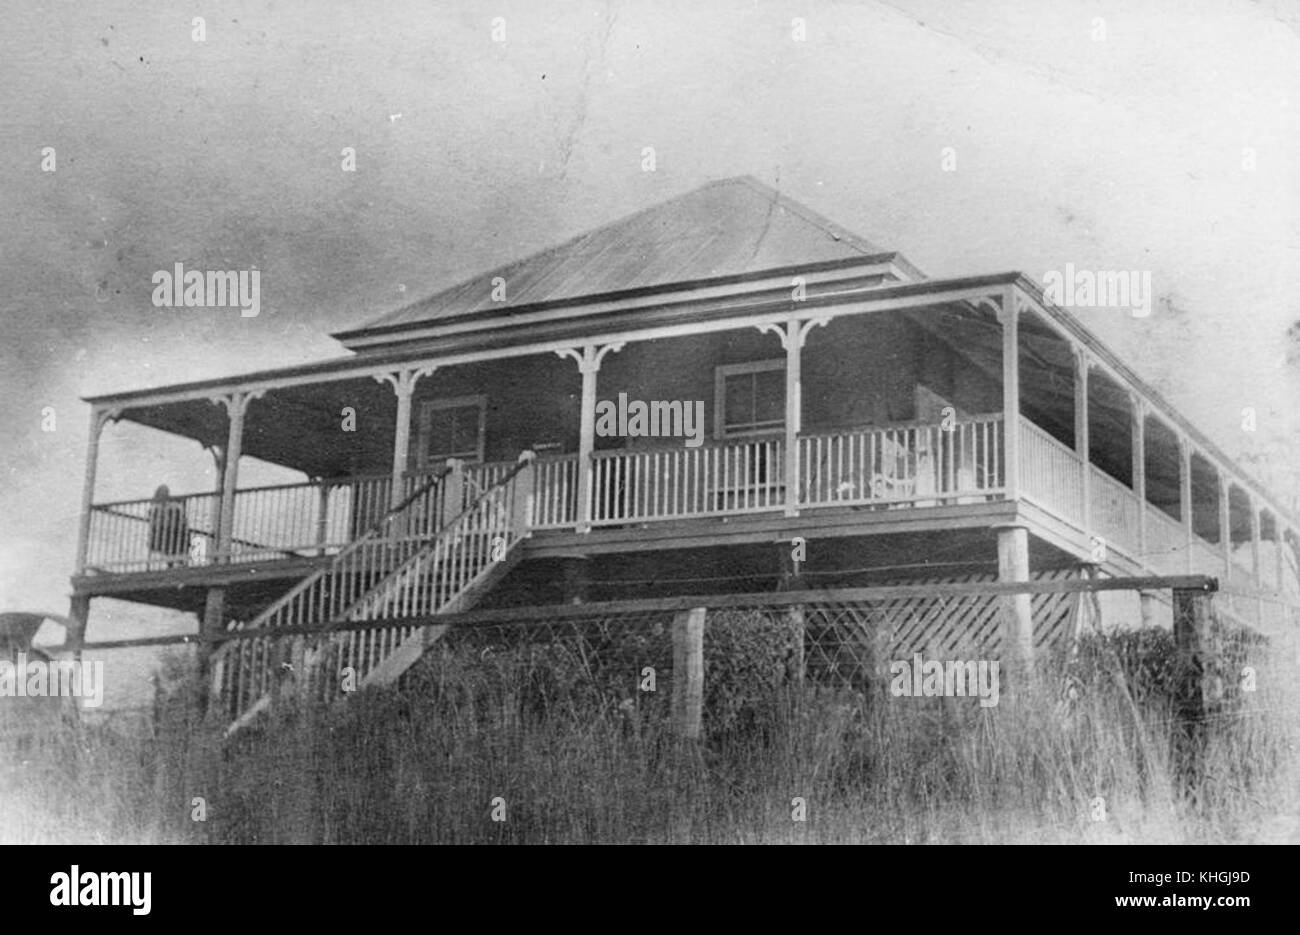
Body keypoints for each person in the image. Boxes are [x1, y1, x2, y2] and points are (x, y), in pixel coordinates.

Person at [147, 485, 189, 568]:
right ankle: (173, 562)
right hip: (163, 532)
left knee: (176, 540)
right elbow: (153, 520)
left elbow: (181, 518)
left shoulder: (173, 506)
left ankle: (178, 562)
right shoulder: (156, 507)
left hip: (174, 531)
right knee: (169, 541)